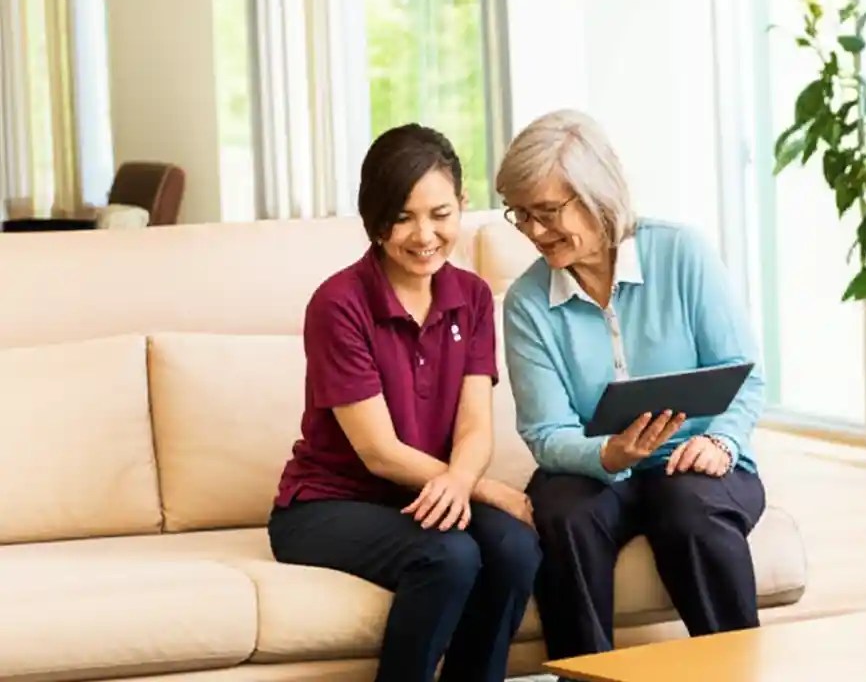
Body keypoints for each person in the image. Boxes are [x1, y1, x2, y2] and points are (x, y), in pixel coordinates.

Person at [268, 123, 540, 682]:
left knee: (513, 548)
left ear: (463, 207)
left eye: (440, 214)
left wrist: (462, 478)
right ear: (374, 217)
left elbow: (475, 429)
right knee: (450, 555)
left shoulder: (472, 297)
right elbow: (380, 453)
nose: (424, 235)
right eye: (402, 217)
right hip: (327, 506)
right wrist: (479, 486)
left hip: (426, 495)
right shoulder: (339, 303)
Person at [497, 109, 768, 660]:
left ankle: (738, 673)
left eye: (547, 212)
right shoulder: (527, 301)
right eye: (520, 215)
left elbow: (744, 371)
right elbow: (547, 431)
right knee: (564, 515)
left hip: (692, 457)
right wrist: (611, 454)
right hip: (590, 466)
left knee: (691, 510)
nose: (534, 231)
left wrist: (720, 442)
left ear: (597, 192)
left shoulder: (681, 253)